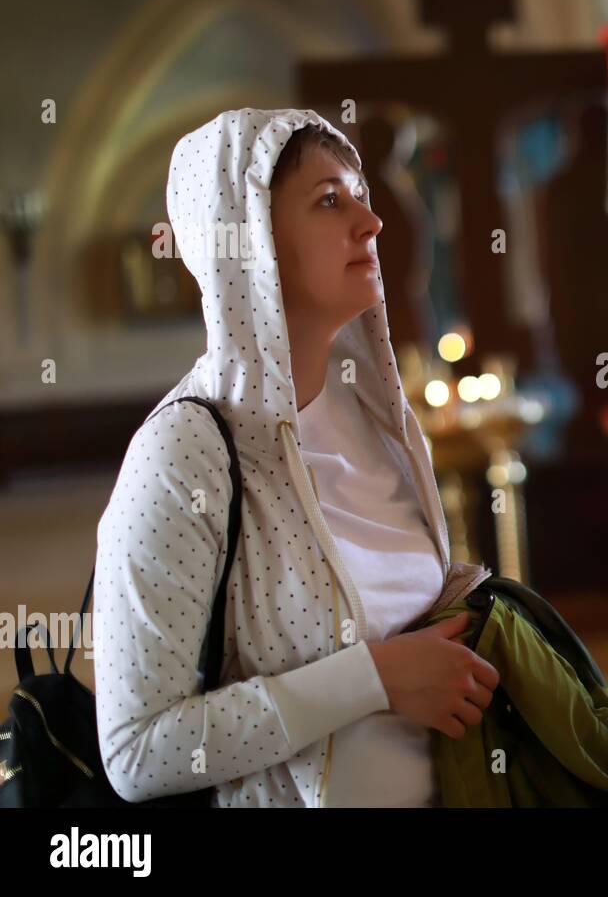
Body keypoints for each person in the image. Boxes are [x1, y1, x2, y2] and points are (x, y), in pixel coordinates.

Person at [92, 108, 499, 807]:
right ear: (248, 240)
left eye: (361, 195)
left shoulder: (383, 421)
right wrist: (370, 679)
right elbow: (138, 751)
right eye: (329, 201)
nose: (370, 222)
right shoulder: (184, 453)